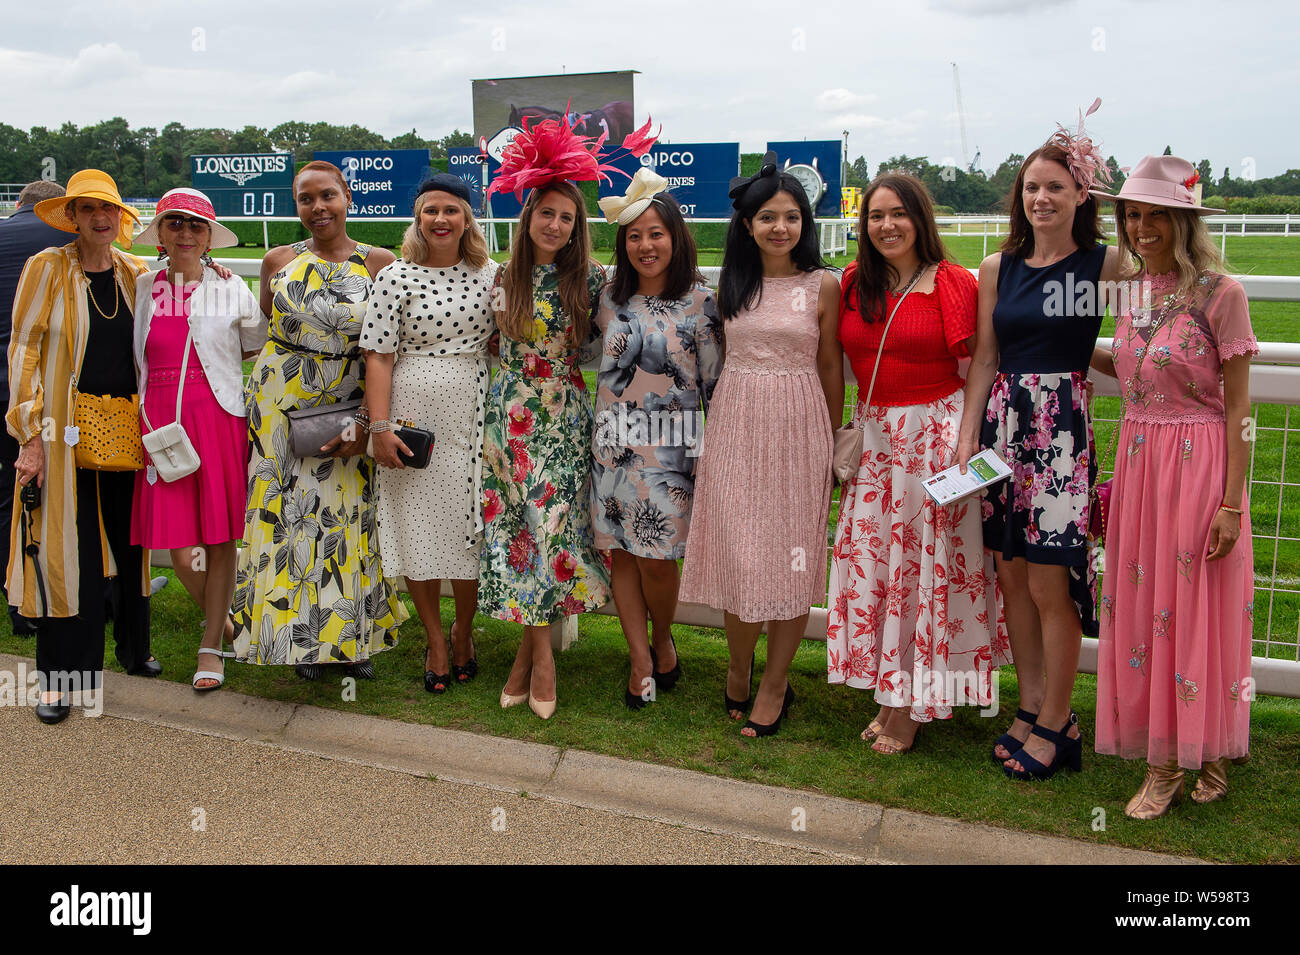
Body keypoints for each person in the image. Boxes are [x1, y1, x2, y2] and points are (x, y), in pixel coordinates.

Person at [956, 103, 1123, 779]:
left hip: (1062, 434)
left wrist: (1115, 364)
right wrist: (969, 433)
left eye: (1056, 185)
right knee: (1012, 575)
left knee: (1053, 580)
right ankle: (1029, 706)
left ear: (1082, 194)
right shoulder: (998, 266)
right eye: (1032, 187)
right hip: (1002, 425)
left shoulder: (1106, 266)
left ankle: (1059, 719)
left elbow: (1160, 314)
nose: (1042, 197)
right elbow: (986, 357)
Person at [1089, 155, 1255, 817]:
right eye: (1132, 214)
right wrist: (1064, 345)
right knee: (1147, 605)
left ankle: (1180, 760)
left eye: (1156, 213)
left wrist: (1232, 502)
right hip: (1139, 458)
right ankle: (1181, 748)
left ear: (1183, 218)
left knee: (1196, 606)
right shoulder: (1132, 288)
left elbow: (1241, 410)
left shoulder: (1223, 292)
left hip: (1199, 460)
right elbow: (1131, 371)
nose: (1141, 226)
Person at [827, 174, 1009, 753]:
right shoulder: (855, 283)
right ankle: (889, 691)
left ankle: (909, 705)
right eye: (876, 216)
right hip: (877, 439)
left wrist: (967, 435)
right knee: (881, 568)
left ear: (920, 219)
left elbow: (983, 358)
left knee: (920, 569)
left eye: (899, 214)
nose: (887, 225)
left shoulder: (954, 283)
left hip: (932, 436)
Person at [678, 153, 842, 738]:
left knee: (792, 559)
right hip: (737, 422)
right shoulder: (729, 284)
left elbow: (829, 366)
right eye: (768, 217)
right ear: (747, 225)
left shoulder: (823, 284)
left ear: (806, 223)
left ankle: (776, 683)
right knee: (741, 551)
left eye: (792, 217)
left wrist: (831, 444)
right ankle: (738, 664)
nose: (780, 227)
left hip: (799, 425)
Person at [232, 160, 407, 680]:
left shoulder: (378, 263)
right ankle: (296, 638)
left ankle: (351, 640)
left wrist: (369, 420)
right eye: (306, 199)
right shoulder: (276, 259)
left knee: (347, 518)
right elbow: (267, 324)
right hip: (280, 402)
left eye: (327, 195)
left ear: (348, 198)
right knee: (287, 516)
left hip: (349, 401)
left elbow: (388, 347)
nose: (318, 207)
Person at [479, 113, 617, 720]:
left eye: (566, 217)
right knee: (515, 531)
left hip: (561, 415)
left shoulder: (590, 280)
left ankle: (534, 660)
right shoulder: (500, 278)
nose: (556, 225)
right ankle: (535, 658)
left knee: (550, 529)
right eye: (546, 214)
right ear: (527, 218)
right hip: (506, 416)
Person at [8, 169, 154, 724]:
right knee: (67, 552)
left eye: (109, 210)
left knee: (131, 539)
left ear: (121, 218)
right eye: (88, 209)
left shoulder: (133, 272)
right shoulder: (45, 268)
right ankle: (62, 680)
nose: (100, 219)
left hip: (128, 430)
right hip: (63, 432)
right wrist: (30, 436)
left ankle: (134, 651)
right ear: (71, 217)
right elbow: (23, 351)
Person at [592, 168, 724, 708]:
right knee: (620, 554)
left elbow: (717, 384)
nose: (646, 245)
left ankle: (663, 637)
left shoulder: (702, 303)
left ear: (675, 237)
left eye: (656, 233)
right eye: (634, 236)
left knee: (657, 559)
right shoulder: (605, 298)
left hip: (672, 446)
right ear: (623, 244)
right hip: (611, 444)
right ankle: (640, 659)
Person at [361, 175, 498, 693]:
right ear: (418, 219)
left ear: (467, 219)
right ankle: (435, 640)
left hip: (475, 411)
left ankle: (465, 633)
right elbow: (377, 355)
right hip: (412, 413)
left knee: (467, 530)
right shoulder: (396, 277)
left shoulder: (490, 275)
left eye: (451, 210)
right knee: (414, 528)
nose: (441, 219)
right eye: (430, 210)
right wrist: (379, 428)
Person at [129, 188, 266, 691]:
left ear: (209, 238)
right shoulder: (141, 286)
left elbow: (254, 346)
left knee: (218, 536)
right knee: (181, 550)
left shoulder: (232, 289)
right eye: (175, 224)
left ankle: (211, 645)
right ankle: (227, 622)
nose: (185, 234)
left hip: (218, 417)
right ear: (160, 234)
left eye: (196, 226)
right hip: (160, 423)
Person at [0, 179, 68, 634]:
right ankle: (36, 597)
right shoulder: (68, 241)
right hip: (43, 386)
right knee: (49, 495)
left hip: (9, 376)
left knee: (8, 491)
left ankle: (13, 592)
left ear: (20, 204)